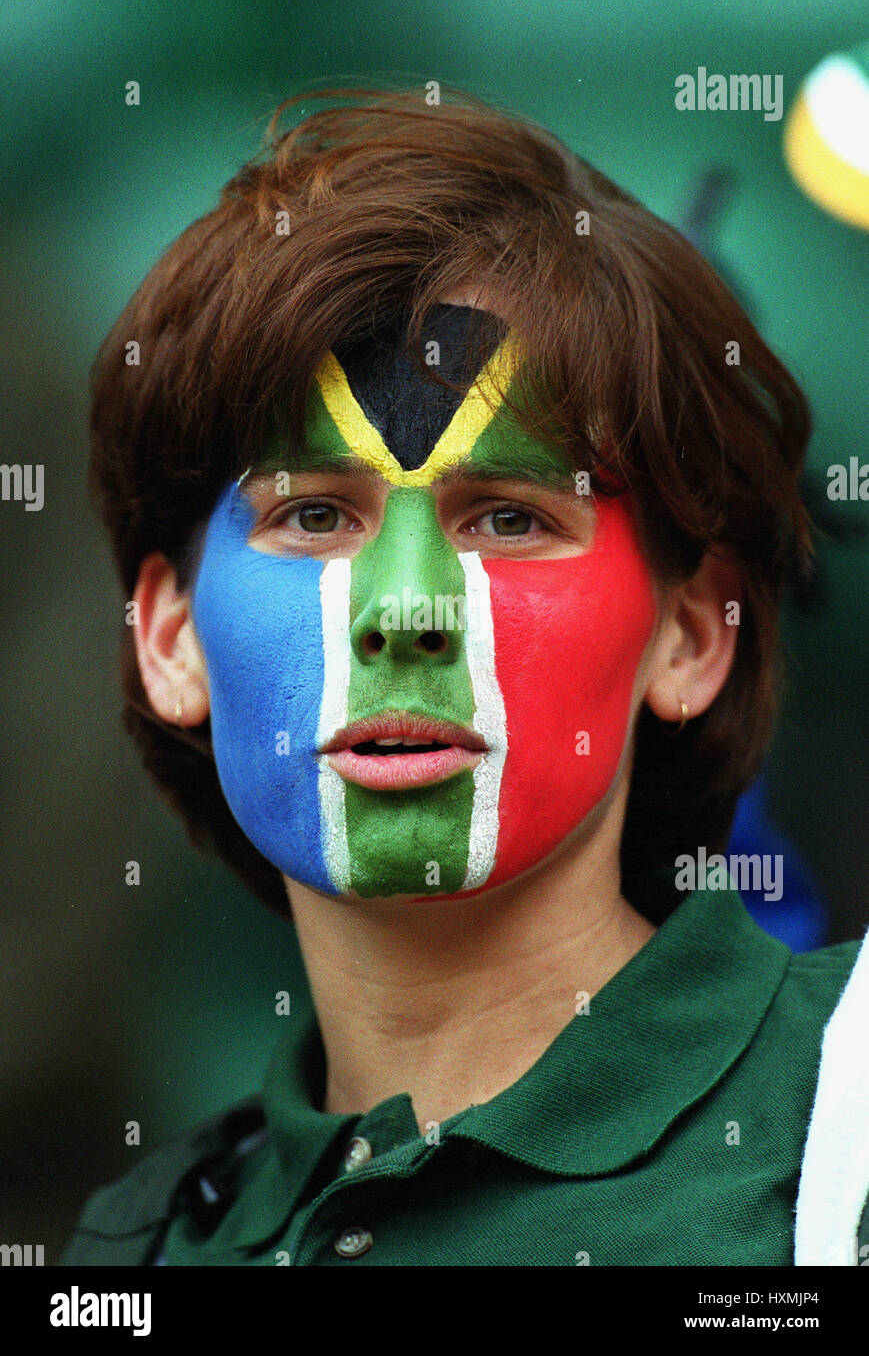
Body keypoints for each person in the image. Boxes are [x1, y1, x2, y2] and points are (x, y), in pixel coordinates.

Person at [62, 86, 868, 1267]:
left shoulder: (842, 1136)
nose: (406, 611)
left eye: (506, 516)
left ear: (691, 634)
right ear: (168, 638)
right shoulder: (133, 1250)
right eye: (316, 513)